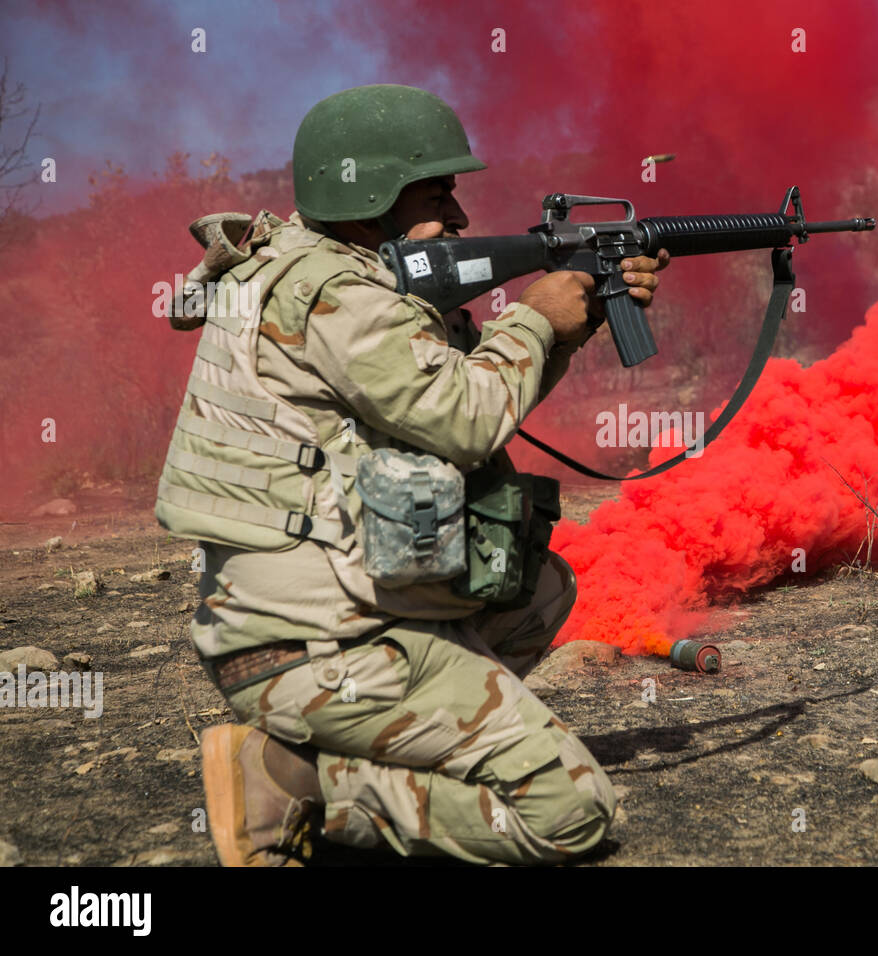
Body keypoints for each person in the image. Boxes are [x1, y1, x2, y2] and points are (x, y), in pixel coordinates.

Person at [154, 84, 668, 865]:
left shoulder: (309, 268)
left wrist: (572, 323)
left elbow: (457, 389)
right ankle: (307, 791)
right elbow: (467, 416)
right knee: (572, 813)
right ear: (372, 196)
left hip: (294, 621)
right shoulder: (335, 295)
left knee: (537, 589)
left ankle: (360, 748)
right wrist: (535, 318)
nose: (458, 218)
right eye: (437, 195)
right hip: (318, 646)